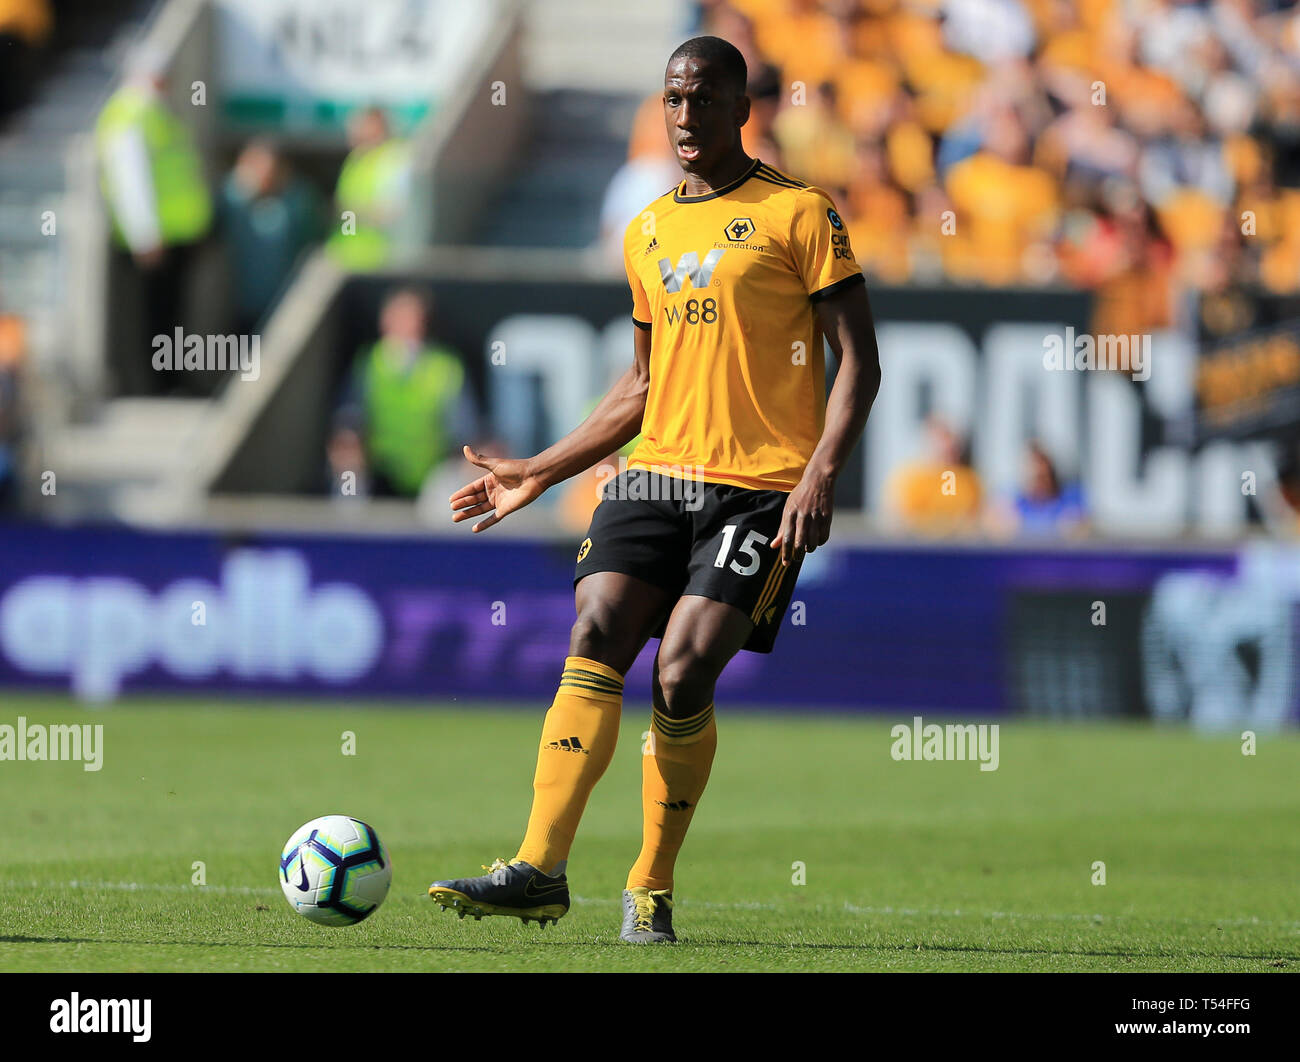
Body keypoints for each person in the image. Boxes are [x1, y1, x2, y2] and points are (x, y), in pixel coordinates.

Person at [428, 36, 881, 944]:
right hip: (656, 475)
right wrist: (538, 469)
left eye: (703, 99)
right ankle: (538, 869)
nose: (683, 115)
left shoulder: (800, 214)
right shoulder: (647, 229)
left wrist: (820, 473)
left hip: (758, 489)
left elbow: (859, 364)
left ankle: (649, 885)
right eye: (673, 98)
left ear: (740, 109)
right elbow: (640, 386)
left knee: (681, 670)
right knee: (596, 629)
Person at [95, 48, 212, 394]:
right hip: (152, 240)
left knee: (169, 314)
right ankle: (150, 384)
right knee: (149, 318)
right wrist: (144, 234)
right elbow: (129, 181)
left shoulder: (153, 111)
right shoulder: (131, 114)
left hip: (173, 235)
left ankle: (169, 379)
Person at [330, 288, 474, 498]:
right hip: (379, 470)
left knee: (468, 471)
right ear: (385, 322)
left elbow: (464, 433)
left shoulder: (446, 367)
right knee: (346, 458)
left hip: (432, 473)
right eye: (399, 318)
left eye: (413, 319)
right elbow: (349, 417)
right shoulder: (369, 363)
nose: (406, 326)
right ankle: (346, 525)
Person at [325, 107, 411, 271]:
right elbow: (346, 216)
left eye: (361, 125)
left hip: (378, 261)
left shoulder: (393, 159)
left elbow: (394, 212)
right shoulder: (354, 161)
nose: (353, 129)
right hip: (349, 259)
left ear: (377, 126)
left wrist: (355, 212)